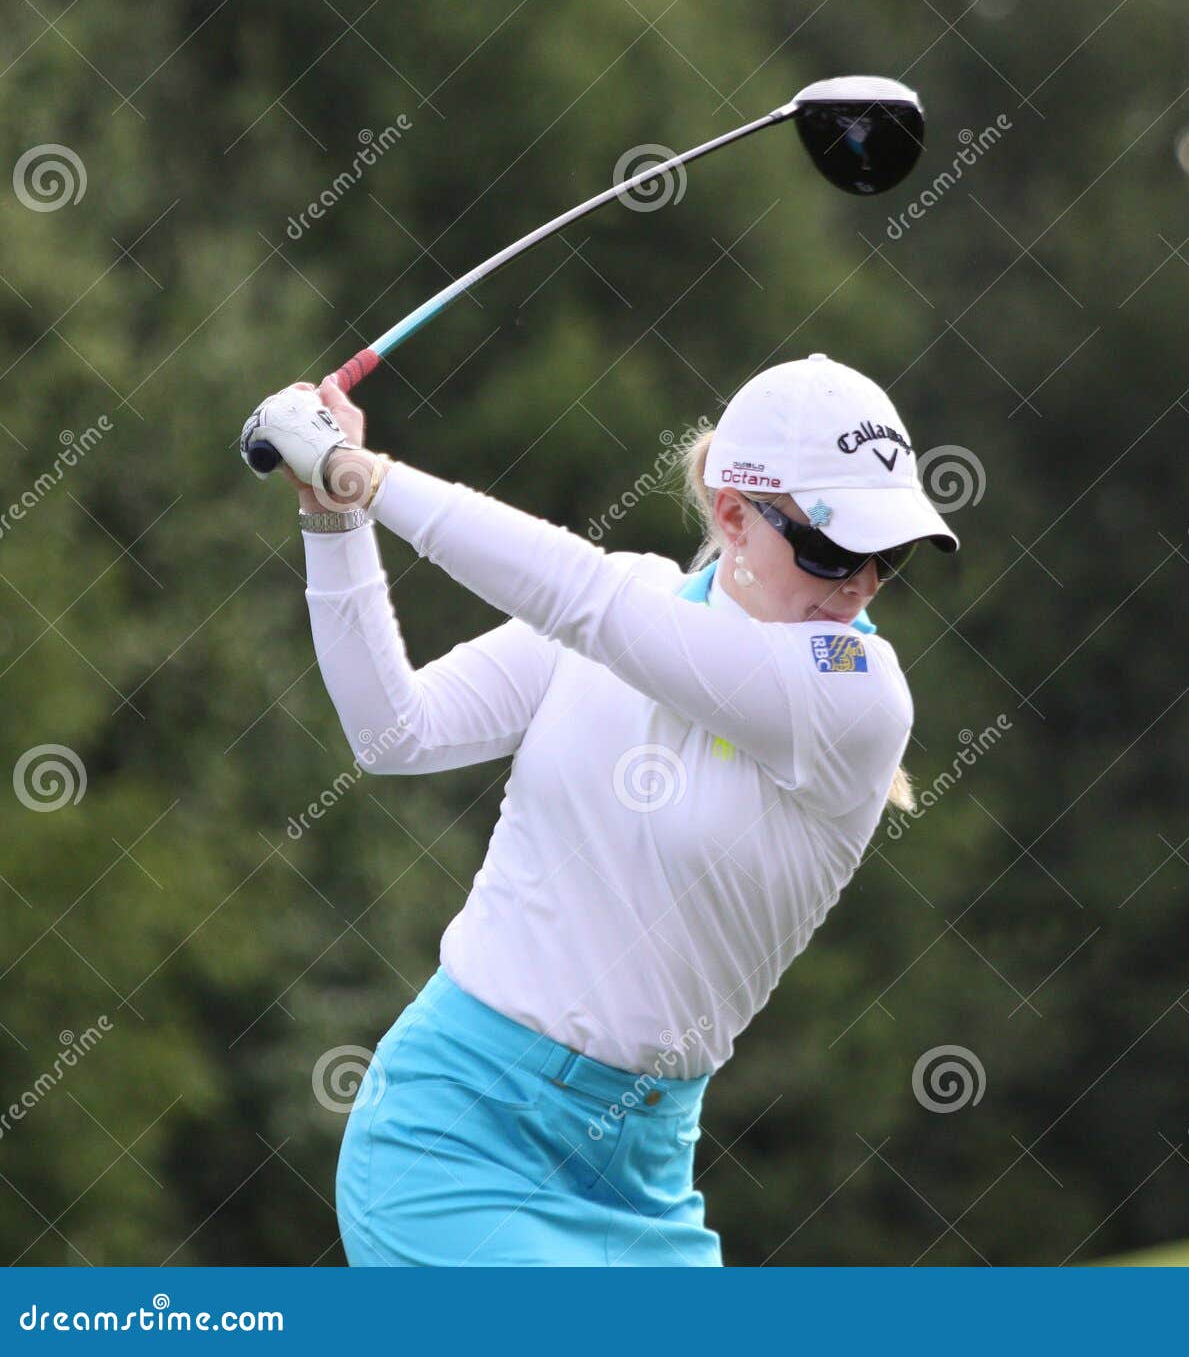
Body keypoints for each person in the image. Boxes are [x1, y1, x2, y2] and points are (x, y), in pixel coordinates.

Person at [240, 353, 959, 1266]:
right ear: (733, 514)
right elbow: (395, 732)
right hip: (450, 1139)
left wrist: (362, 473)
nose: (858, 584)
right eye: (830, 549)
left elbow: (587, 603)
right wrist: (333, 515)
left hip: (645, 1177)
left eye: (887, 555)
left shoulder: (860, 692)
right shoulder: (630, 597)